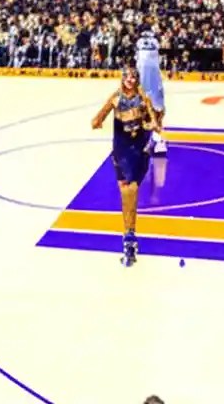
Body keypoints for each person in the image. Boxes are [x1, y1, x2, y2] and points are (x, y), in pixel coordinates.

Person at [91, 66, 161, 267]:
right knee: (126, 189)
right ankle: (129, 235)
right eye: (127, 77)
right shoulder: (116, 98)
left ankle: (129, 236)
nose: (130, 80)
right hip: (121, 149)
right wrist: (98, 120)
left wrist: (151, 124)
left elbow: (152, 122)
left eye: (133, 77)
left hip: (135, 149)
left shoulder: (143, 99)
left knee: (129, 189)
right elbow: (99, 116)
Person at [135, 28, 167, 154]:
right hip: (152, 81)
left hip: (146, 81)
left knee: (148, 110)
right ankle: (157, 140)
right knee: (157, 110)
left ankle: (154, 139)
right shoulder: (155, 43)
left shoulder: (139, 43)